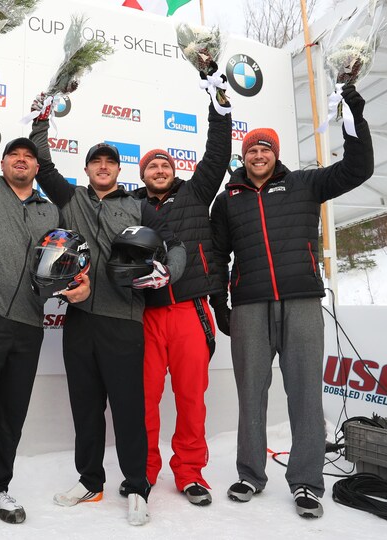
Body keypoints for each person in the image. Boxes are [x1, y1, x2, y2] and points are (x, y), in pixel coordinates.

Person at [210, 84, 373, 518]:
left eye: (264, 149)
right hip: (248, 305)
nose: (257, 156)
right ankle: (250, 474)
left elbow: (359, 168)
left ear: (275, 154)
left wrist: (353, 111)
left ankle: (306, 482)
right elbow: (215, 256)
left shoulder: (306, 183)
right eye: (251, 151)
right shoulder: (227, 200)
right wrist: (218, 305)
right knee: (251, 393)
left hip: (300, 300)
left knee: (304, 393)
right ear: (243, 156)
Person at [0, 40, 91, 540]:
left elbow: (69, 258)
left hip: (30, 322)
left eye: (29, 157)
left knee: (10, 413)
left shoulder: (51, 211)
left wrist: (78, 282)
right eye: (14, 155)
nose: (22, 160)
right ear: (3, 162)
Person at [28, 99, 186, 526]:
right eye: (95, 161)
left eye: (109, 162)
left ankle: (137, 486)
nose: (102, 167)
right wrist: (42, 119)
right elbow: (41, 165)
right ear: (88, 169)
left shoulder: (139, 206)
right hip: (79, 319)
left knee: (129, 409)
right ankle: (90, 481)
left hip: (124, 323)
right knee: (85, 407)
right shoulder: (71, 198)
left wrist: (168, 273)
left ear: (119, 170)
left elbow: (176, 244)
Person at [133, 77, 232, 506]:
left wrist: (219, 103)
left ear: (174, 171)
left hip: (190, 310)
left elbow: (217, 151)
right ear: (143, 175)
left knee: (191, 399)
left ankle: (190, 472)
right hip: (147, 315)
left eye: (165, 165)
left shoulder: (195, 193)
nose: (159, 170)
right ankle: (145, 471)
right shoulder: (131, 204)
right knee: (144, 400)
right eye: (151, 166)